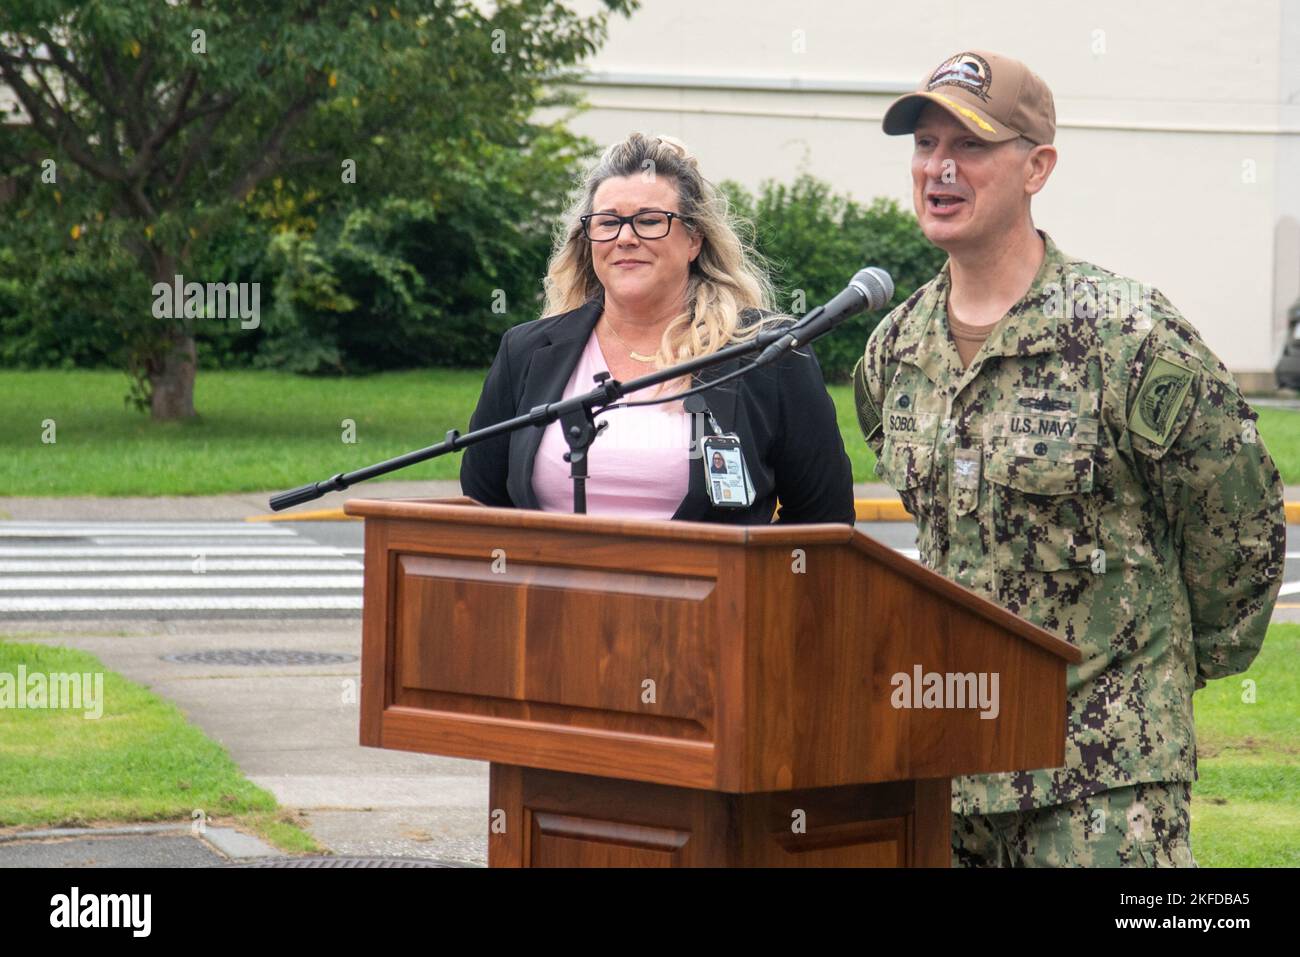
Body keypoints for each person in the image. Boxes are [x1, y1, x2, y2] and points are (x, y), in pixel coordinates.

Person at [853, 49, 1286, 866]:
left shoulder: (1126, 338)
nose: (939, 168)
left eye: (970, 146)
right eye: (924, 144)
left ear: (1036, 166)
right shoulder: (895, 351)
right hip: (948, 768)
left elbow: (1242, 525)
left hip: (1103, 780)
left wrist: (1156, 674)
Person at [461, 132, 854, 525]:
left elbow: (823, 518)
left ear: (694, 241)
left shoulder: (765, 353)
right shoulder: (526, 352)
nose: (626, 238)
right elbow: (482, 505)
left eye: (650, 221)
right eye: (608, 222)